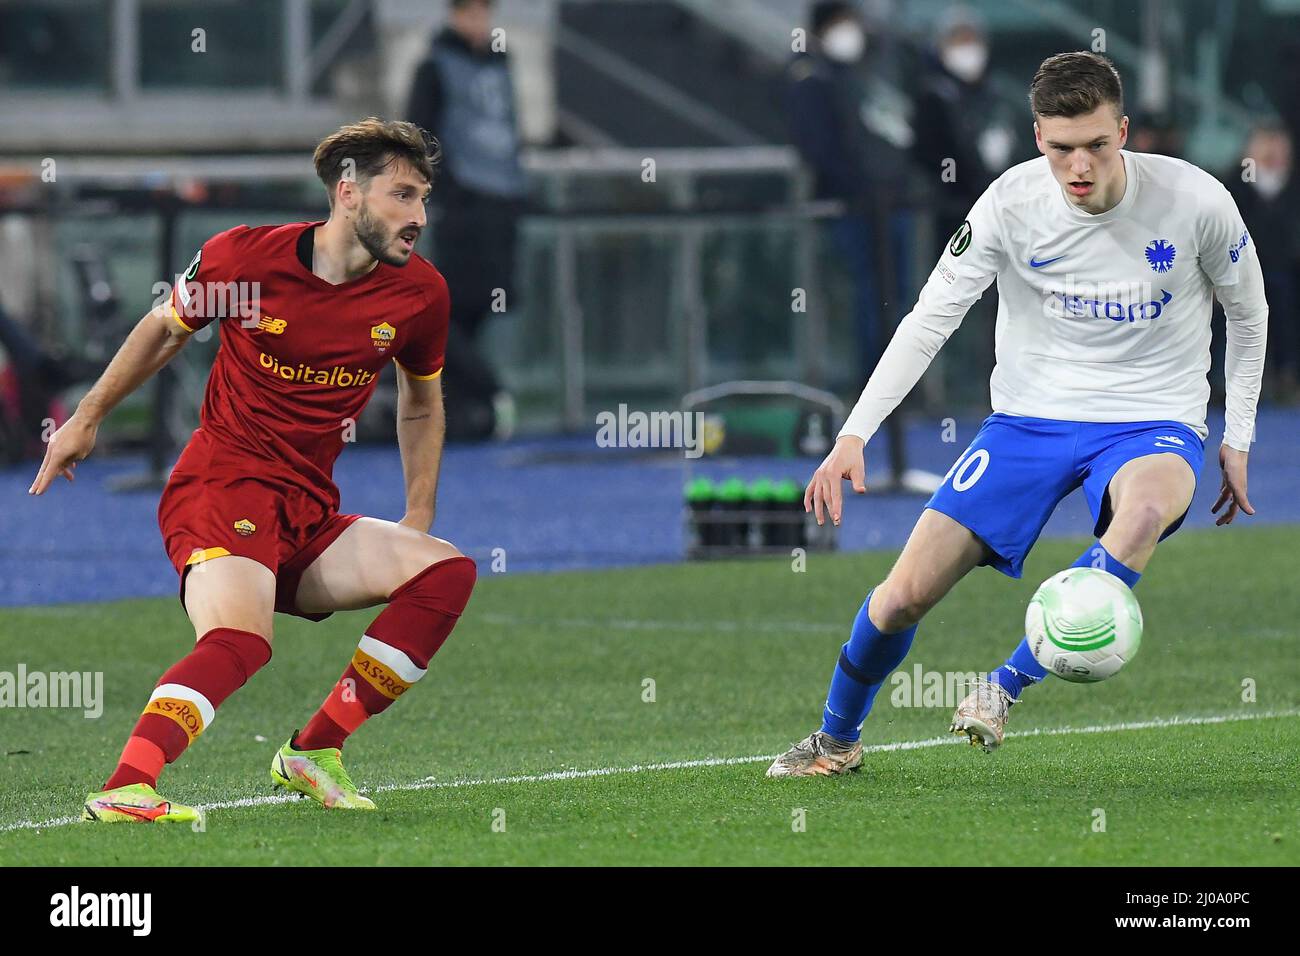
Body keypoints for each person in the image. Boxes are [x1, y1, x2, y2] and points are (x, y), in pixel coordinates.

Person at [768, 52, 1267, 777]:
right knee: (902, 597)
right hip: (1028, 420)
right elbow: (930, 318)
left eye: (1097, 145)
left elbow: (1249, 314)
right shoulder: (1009, 203)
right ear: (1038, 137)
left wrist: (1238, 435)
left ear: (1124, 132)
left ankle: (1002, 687)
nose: (1080, 167)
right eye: (1062, 148)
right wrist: (854, 433)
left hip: (1152, 419)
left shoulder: (1196, 201)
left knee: (1140, 515)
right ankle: (836, 740)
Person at [30, 118, 478, 821]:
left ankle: (313, 749)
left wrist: (417, 516)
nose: (418, 214)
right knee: (240, 641)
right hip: (222, 488)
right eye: (402, 195)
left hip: (306, 512)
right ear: (348, 193)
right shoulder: (244, 258)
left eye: (423, 197)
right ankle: (127, 785)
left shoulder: (421, 295)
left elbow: (421, 405)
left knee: (445, 572)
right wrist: (87, 417)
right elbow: (165, 329)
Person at [406, 0, 526, 441]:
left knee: (480, 308)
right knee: (448, 309)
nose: (477, 22)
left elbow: (509, 132)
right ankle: (490, 392)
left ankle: (460, 410)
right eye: (469, 12)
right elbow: (419, 137)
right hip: (463, 208)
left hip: (501, 203)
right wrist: (443, 192)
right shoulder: (434, 67)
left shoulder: (500, 64)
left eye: (482, 12)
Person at [787, 0, 918, 381]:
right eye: (842, 24)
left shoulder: (868, 72)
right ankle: (871, 378)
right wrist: (859, 187)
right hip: (850, 207)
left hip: (893, 201)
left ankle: (900, 378)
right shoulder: (812, 77)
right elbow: (818, 147)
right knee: (866, 293)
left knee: (900, 292)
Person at [1225, 123, 1299, 402]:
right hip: (1243, 270)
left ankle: (1286, 376)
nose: (1272, 151)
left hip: (1286, 270)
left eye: (1278, 144)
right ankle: (1234, 381)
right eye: (1265, 143)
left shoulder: (1293, 183)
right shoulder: (1236, 182)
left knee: (1285, 314)